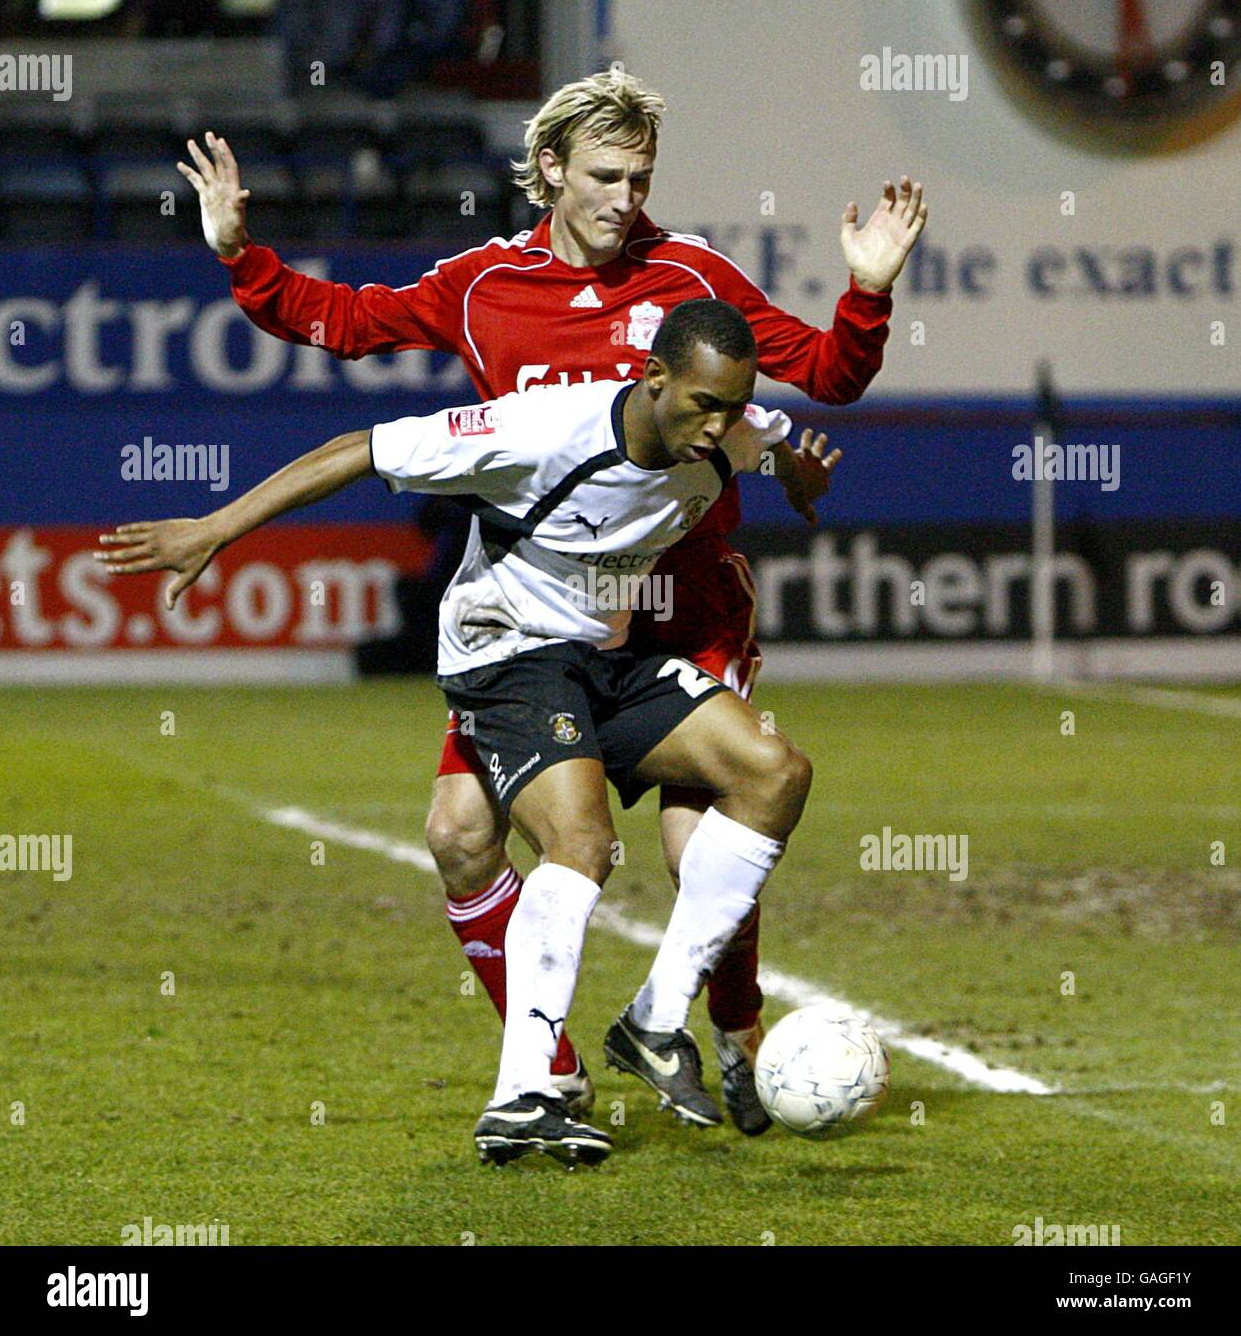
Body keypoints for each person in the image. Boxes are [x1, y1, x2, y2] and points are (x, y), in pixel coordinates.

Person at [175, 66, 927, 1133]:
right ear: (548, 172)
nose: (627, 200)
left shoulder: (692, 279)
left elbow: (819, 376)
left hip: (684, 591)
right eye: (606, 177)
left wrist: (866, 292)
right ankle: (550, 1066)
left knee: (700, 836)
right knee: (456, 835)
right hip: (535, 607)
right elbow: (343, 320)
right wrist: (241, 258)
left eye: (641, 177)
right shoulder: (483, 287)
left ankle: (728, 1025)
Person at [96, 300, 833, 1166]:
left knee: (774, 773)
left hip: (604, 658)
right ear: (653, 378)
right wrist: (215, 529)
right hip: (506, 652)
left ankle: (656, 1018)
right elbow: (359, 451)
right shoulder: (539, 429)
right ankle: (524, 1092)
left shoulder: (733, 427)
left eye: (732, 406)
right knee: (581, 843)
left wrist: (799, 478)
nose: (716, 426)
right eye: (701, 404)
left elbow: (782, 447)